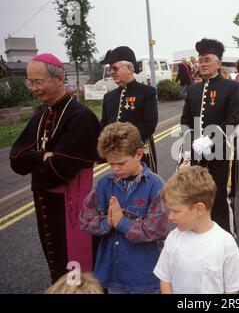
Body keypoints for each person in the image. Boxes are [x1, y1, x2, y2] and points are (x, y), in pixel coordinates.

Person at [10, 53, 101, 283]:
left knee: (78, 271)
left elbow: (61, 169)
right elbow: (16, 161)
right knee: (58, 268)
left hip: (71, 208)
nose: (33, 88)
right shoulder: (39, 117)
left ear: (59, 78)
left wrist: (39, 161)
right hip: (45, 207)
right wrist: (44, 157)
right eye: (30, 82)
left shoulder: (81, 117)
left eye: (38, 81)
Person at [79, 122, 170, 293]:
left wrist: (121, 222)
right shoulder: (104, 185)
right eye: (110, 164)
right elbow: (85, 220)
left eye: (121, 163)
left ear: (138, 154)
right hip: (112, 276)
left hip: (144, 278)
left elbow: (157, 229)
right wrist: (108, 222)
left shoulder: (156, 186)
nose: (115, 168)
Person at [154, 166, 239, 294]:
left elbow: (232, 289)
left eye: (176, 211)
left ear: (199, 209)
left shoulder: (225, 243)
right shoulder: (172, 238)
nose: (170, 216)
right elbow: (165, 279)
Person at [180, 38, 239, 236]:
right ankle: (201, 234)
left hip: (222, 151)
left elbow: (234, 119)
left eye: (207, 59)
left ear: (218, 62)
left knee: (220, 196)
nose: (203, 64)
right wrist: (189, 147)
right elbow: (185, 120)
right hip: (196, 153)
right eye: (200, 60)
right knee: (196, 196)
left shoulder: (230, 87)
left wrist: (211, 138)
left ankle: (226, 238)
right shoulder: (193, 89)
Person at [100, 46, 158, 173]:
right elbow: (103, 126)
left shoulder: (147, 92)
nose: (112, 72)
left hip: (139, 155)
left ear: (130, 69)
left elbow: (149, 125)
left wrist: (126, 146)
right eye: (111, 69)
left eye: (115, 68)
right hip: (116, 158)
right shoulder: (108, 97)